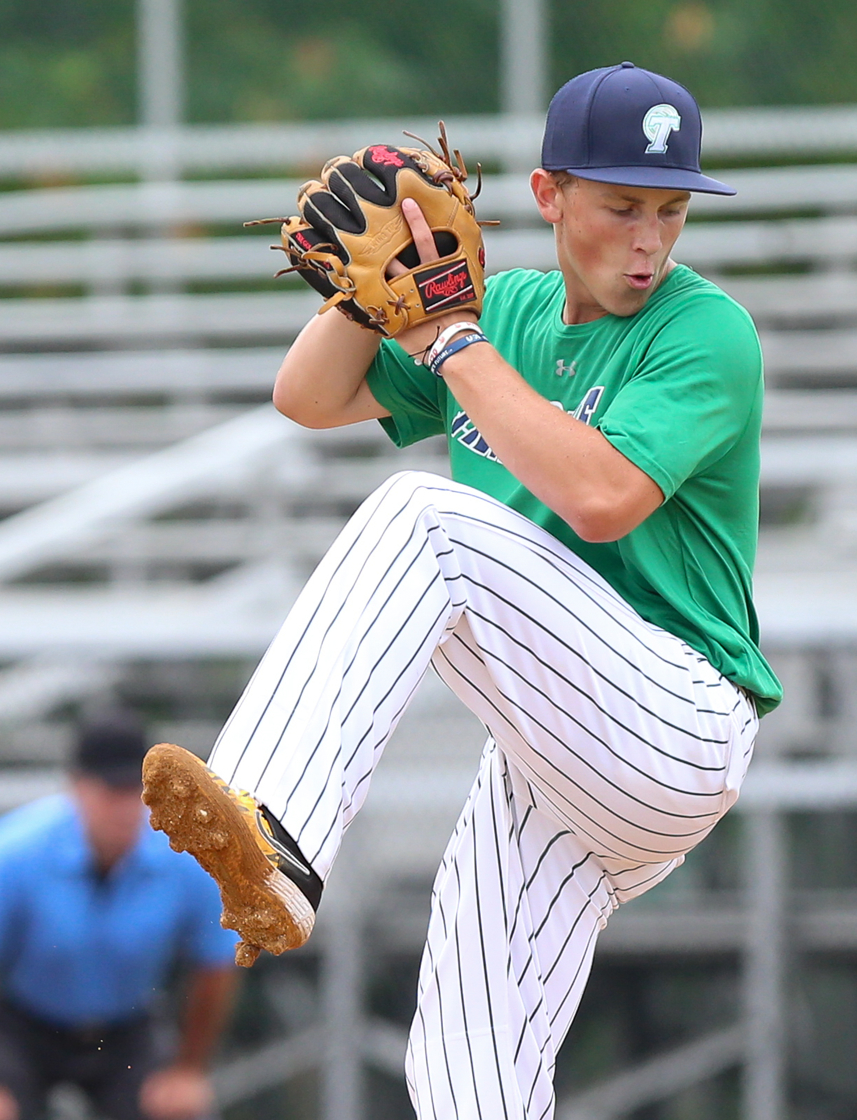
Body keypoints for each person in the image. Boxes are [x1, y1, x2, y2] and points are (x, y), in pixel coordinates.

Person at [141, 62, 783, 1120]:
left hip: (673, 713)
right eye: (620, 205)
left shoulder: (701, 330)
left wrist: (446, 337)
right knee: (461, 1069)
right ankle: (276, 849)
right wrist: (365, 296)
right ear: (547, 195)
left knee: (418, 518)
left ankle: (277, 833)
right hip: (554, 752)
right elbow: (306, 398)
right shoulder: (508, 309)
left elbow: (598, 496)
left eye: (669, 210)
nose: (647, 240)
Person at [0, 709, 240, 1120]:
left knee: (177, 1109)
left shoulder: (187, 856)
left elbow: (216, 963)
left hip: (127, 1030)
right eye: (110, 791)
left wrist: (188, 1070)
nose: (125, 807)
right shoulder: (6, 854)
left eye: (138, 791)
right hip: (24, 1026)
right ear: (76, 788)